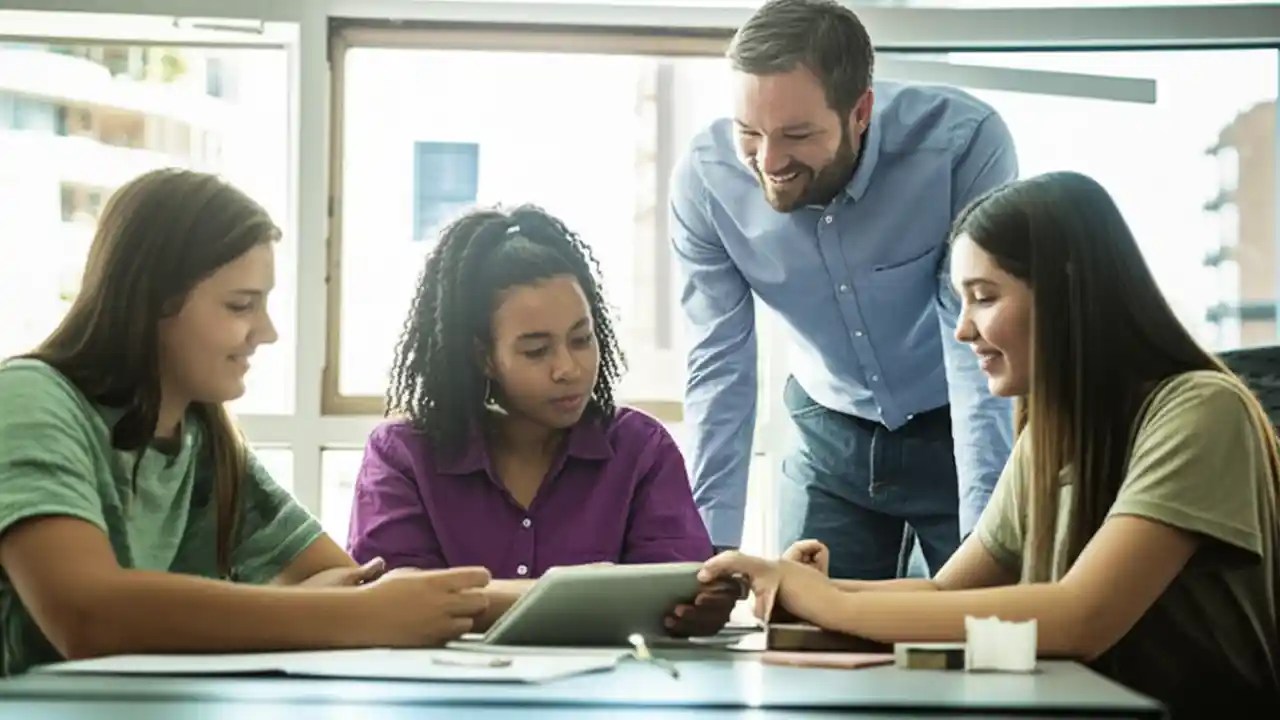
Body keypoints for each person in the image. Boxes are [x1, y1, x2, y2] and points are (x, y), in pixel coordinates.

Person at [701, 171, 1280, 716]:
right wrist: (804, 585)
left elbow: (1081, 618)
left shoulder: (1202, 410)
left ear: (1066, 289)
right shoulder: (1052, 433)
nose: (963, 329)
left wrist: (835, 605)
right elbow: (944, 594)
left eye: (984, 296)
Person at [0, 169, 494, 676]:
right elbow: (87, 615)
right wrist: (344, 612)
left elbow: (359, 586)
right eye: (241, 305)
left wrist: (559, 597)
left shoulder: (204, 439)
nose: (268, 332)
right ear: (152, 300)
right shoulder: (29, 398)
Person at [670, 0, 1017, 580]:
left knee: (975, 631)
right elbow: (718, 365)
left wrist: (989, 534)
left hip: (955, 423)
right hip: (826, 433)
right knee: (809, 641)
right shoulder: (707, 180)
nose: (769, 162)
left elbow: (974, 339)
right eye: (748, 132)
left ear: (861, 111)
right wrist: (705, 555)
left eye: (797, 134)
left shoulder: (962, 144)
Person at [347, 204, 732, 636]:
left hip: (607, 692)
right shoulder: (403, 455)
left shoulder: (641, 449)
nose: (568, 368)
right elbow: (390, 602)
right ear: (484, 357)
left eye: (582, 339)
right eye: (536, 350)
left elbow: (674, 592)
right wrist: (581, 592)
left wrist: (701, 606)